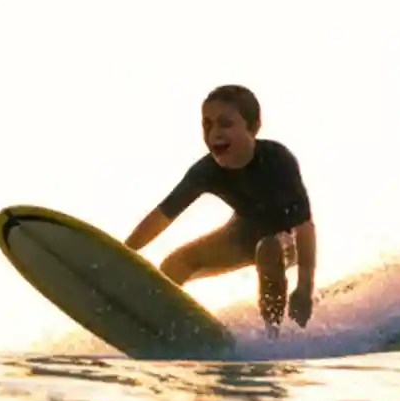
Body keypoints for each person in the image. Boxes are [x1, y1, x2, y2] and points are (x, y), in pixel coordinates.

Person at [123, 84, 317, 337]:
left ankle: (272, 337)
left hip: (286, 241)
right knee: (174, 264)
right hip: (241, 235)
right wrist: (123, 253)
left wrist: (304, 287)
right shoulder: (206, 170)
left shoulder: (277, 159)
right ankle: (158, 326)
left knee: (268, 248)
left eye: (225, 124)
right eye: (207, 125)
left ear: (253, 127)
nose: (215, 133)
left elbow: (305, 227)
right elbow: (163, 215)